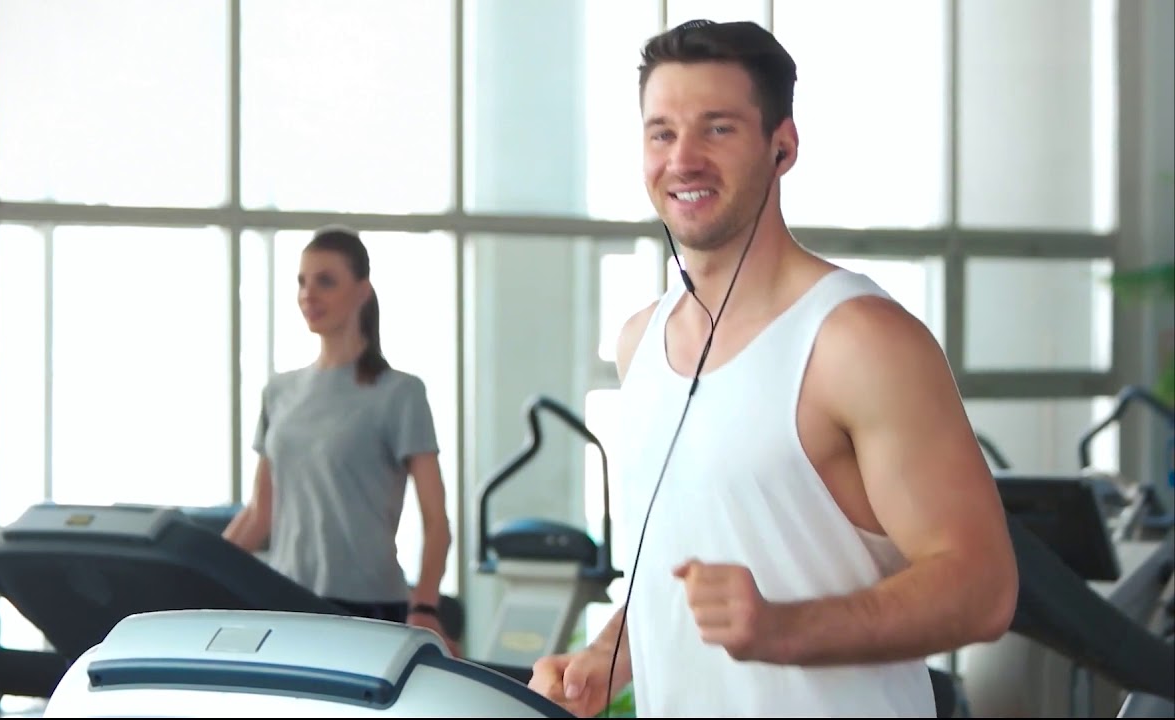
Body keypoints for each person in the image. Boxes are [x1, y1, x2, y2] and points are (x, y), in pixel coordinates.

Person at [528, 19, 1019, 717]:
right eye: (662, 133)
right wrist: (606, 660)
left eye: (718, 129)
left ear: (781, 146)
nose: (684, 159)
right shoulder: (639, 344)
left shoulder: (857, 340)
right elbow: (675, 572)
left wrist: (782, 629)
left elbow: (984, 589)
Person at [222, 226, 455, 651]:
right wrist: (196, 579)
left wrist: (425, 606)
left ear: (362, 291)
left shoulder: (400, 393)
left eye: (325, 281)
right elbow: (259, 514)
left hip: (368, 608)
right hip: (284, 601)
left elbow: (436, 520)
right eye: (302, 281)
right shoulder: (279, 392)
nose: (308, 294)